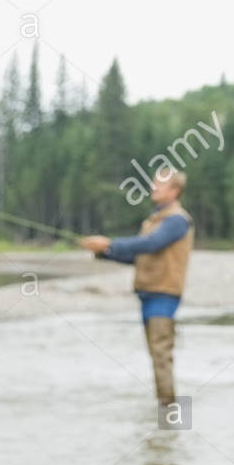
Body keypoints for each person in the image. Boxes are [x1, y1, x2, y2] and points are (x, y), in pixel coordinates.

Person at [80, 166, 194, 408]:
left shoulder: (177, 221)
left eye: (160, 183)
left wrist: (109, 242)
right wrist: (104, 252)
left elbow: (151, 244)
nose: (153, 187)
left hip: (164, 295)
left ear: (174, 191)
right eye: (154, 182)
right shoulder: (154, 220)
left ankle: (170, 412)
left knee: (161, 355)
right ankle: (165, 410)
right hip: (148, 294)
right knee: (156, 355)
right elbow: (140, 255)